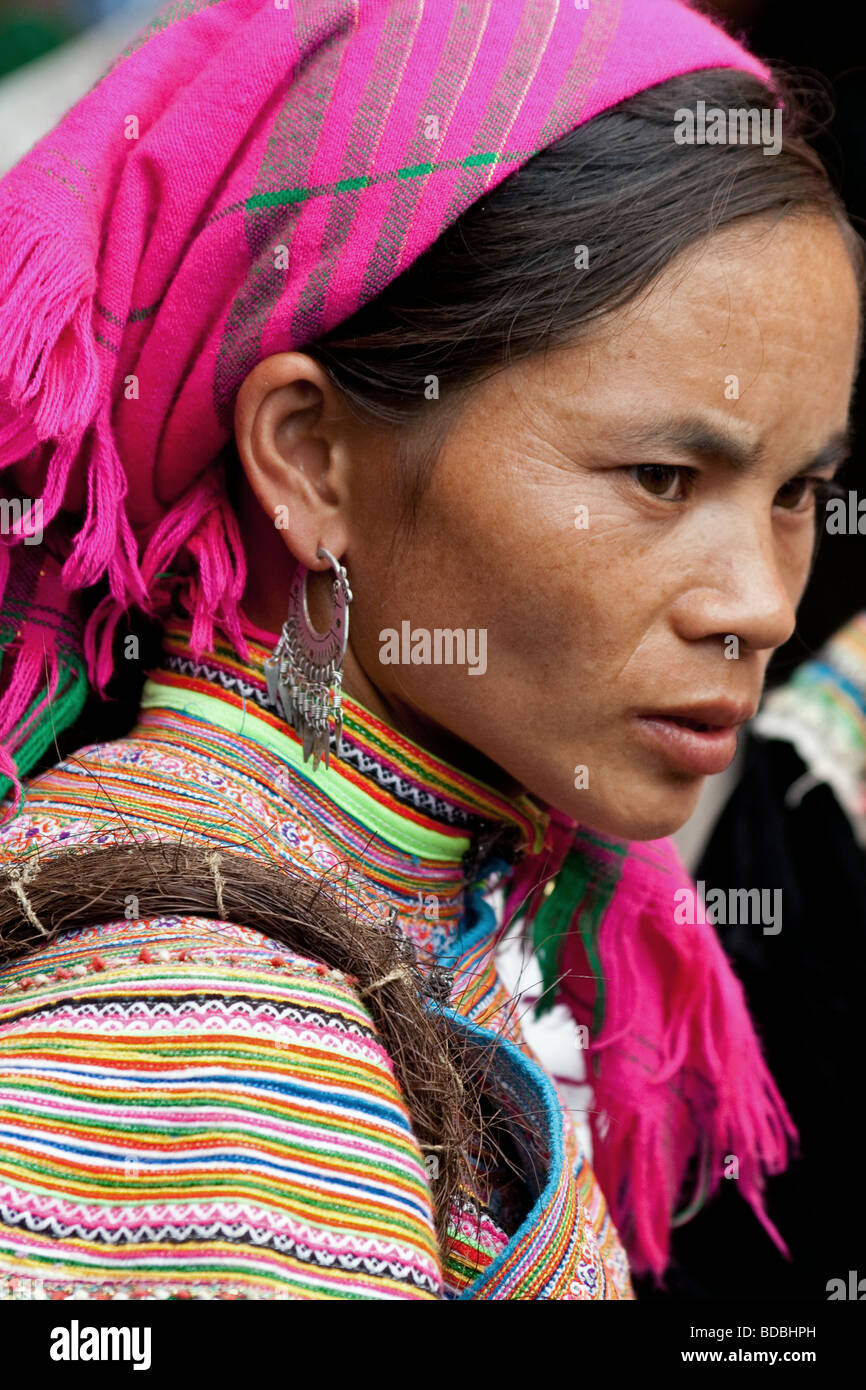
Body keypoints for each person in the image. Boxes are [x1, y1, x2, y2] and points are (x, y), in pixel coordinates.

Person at [0, 0, 860, 1301]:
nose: (760, 603)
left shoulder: (386, 926)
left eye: (797, 493)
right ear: (311, 456)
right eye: (660, 475)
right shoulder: (226, 1042)